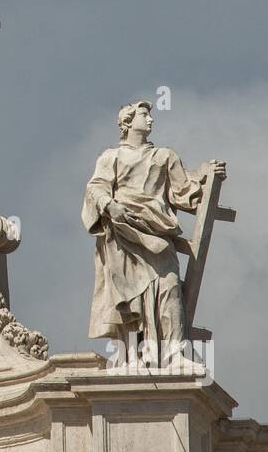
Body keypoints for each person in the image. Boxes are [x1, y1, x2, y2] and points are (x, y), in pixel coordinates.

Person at [82, 100, 224, 367]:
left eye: (149, 116)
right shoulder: (111, 157)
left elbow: (185, 191)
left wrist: (208, 176)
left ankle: (174, 355)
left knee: (170, 286)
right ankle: (131, 357)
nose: (150, 120)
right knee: (129, 296)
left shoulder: (165, 156)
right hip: (123, 233)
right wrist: (110, 206)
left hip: (158, 232)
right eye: (144, 115)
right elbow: (96, 189)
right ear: (127, 122)